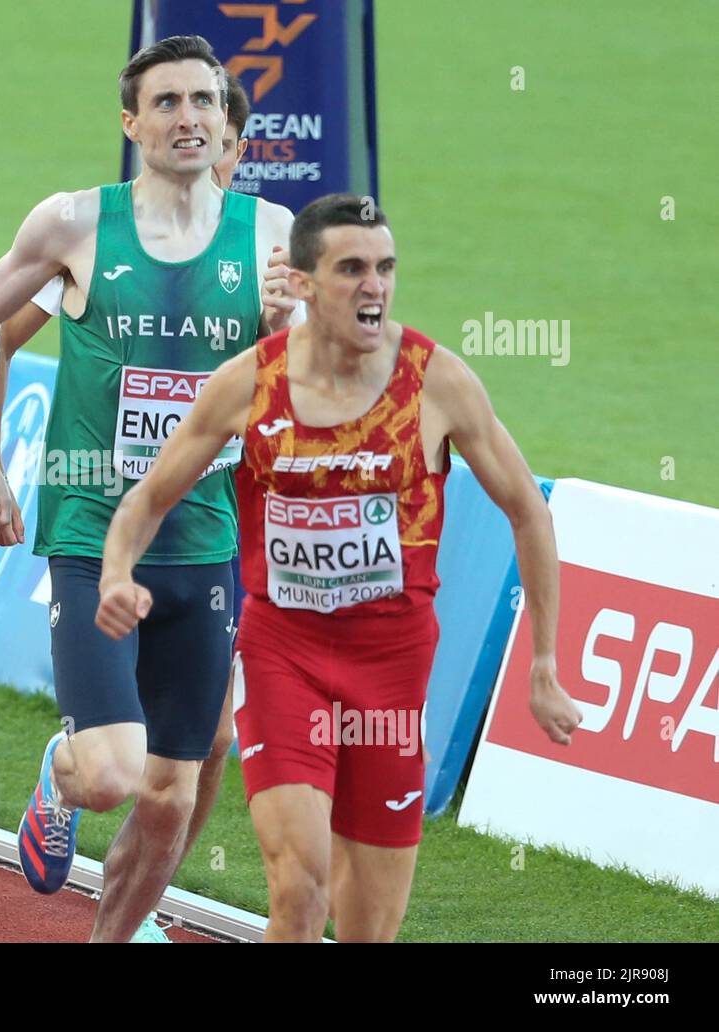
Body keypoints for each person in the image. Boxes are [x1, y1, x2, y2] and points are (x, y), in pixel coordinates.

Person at [95, 193, 584, 942]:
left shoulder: (435, 382)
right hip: (282, 655)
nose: (374, 287)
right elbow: (147, 498)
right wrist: (117, 573)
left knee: (369, 928)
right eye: (352, 268)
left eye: (385, 268)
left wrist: (544, 662)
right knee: (301, 887)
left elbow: (528, 510)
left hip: (390, 668)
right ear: (300, 282)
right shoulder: (246, 385)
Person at [0, 36, 296, 943]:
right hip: (93, 527)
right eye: (169, 102)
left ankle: (114, 937)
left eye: (205, 102)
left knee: (178, 785)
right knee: (112, 774)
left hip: (206, 538)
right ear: (131, 122)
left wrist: (288, 326)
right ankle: (59, 774)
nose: (190, 118)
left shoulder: (274, 236)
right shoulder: (74, 224)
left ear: (228, 120)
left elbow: (314, 380)